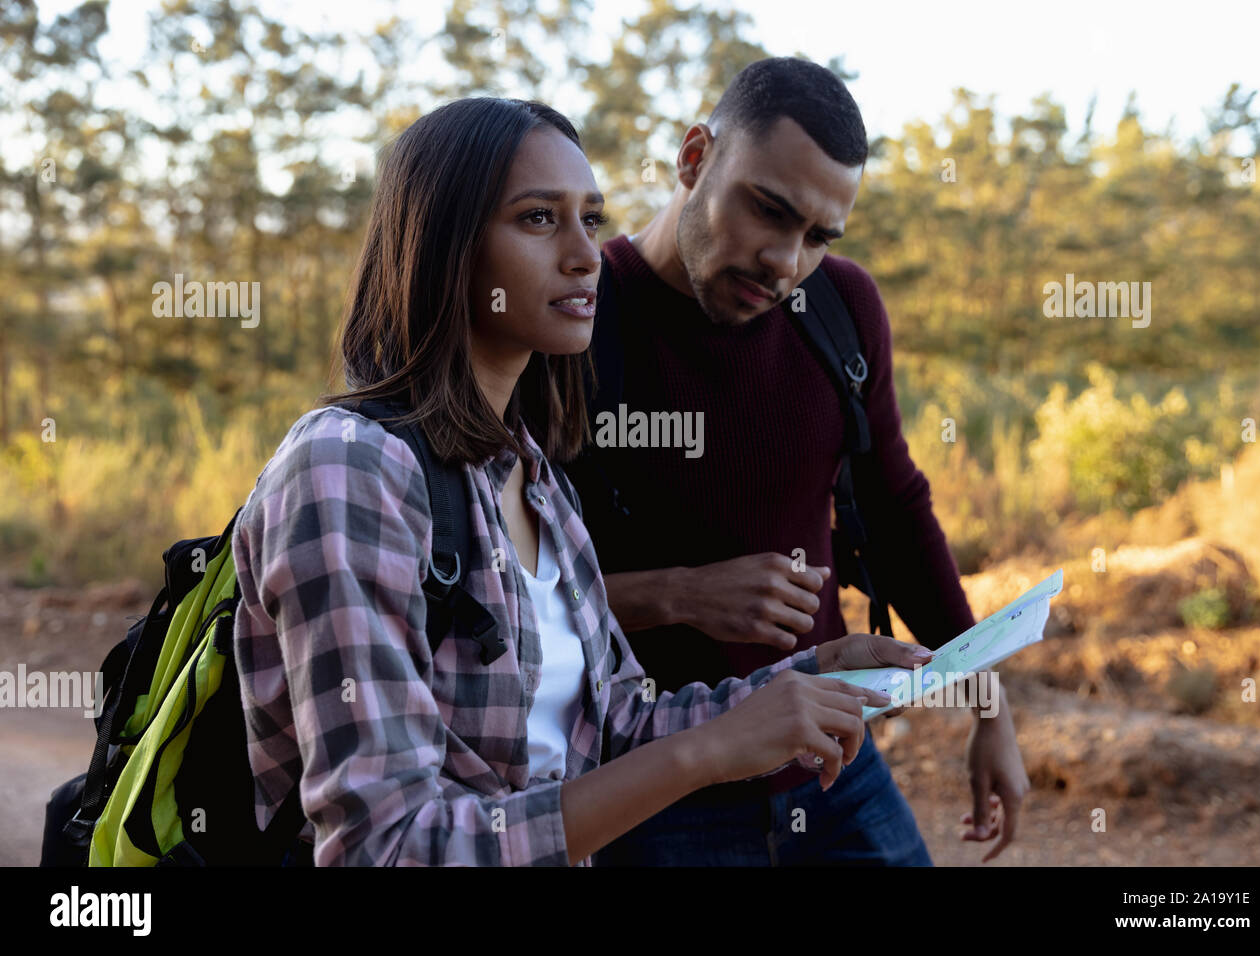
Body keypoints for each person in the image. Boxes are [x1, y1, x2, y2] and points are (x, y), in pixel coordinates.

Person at [228, 96, 929, 866]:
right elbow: (384, 846)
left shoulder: (531, 480)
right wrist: (706, 755)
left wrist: (807, 675)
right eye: (538, 219)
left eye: (589, 221)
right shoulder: (348, 470)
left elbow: (620, 721)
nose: (586, 255)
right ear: (443, 243)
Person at [564, 57, 1031, 866]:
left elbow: (894, 508)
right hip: (651, 790)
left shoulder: (842, 309)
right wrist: (679, 595)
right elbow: (511, 601)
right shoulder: (577, 322)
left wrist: (990, 704)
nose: (787, 261)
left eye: (818, 236)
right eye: (770, 211)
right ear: (694, 157)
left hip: (833, 765)